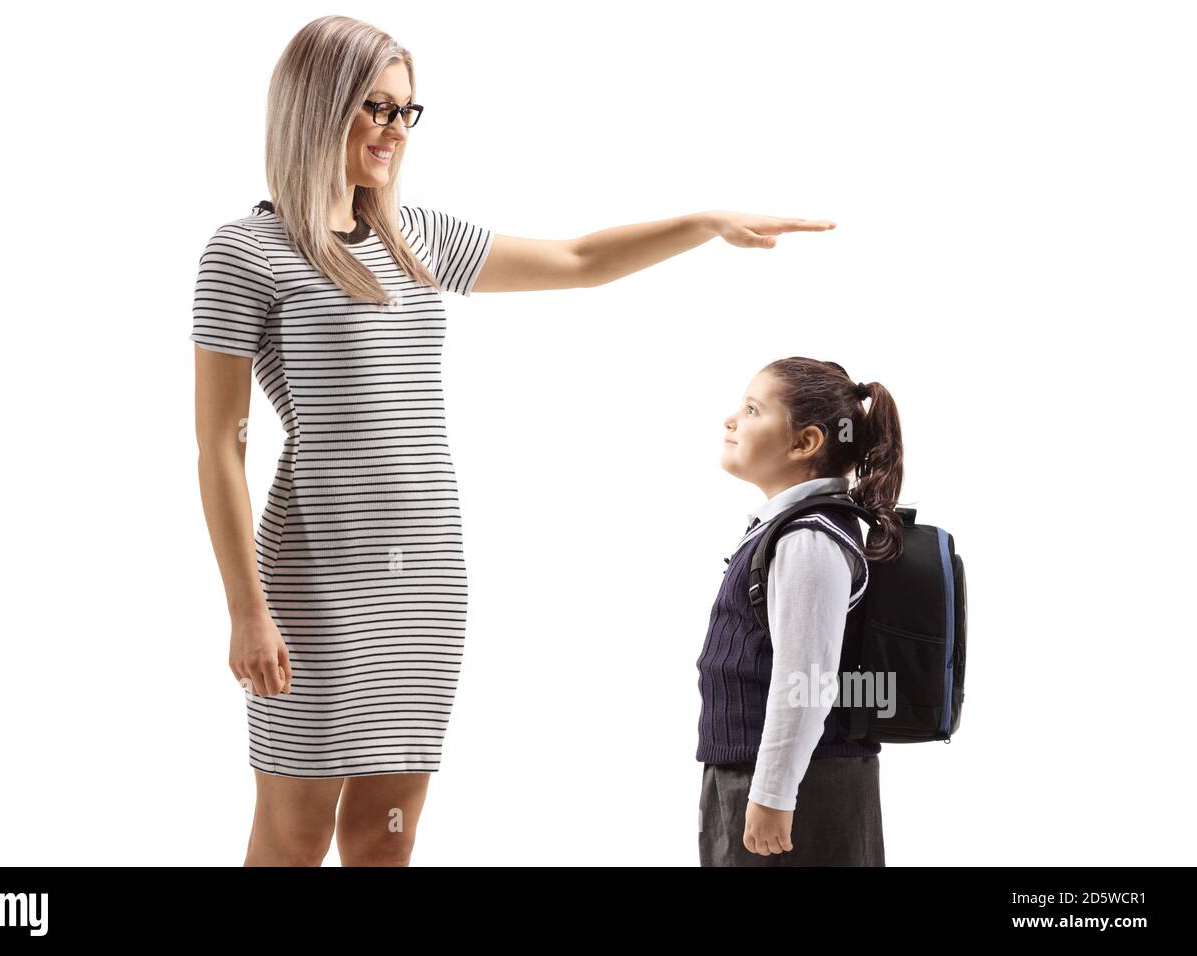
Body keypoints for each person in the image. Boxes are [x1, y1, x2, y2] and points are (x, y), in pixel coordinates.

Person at [192, 14, 839, 867]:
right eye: (374, 107)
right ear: (316, 106)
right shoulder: (246, 253)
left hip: (425, 580)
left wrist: (702, 223)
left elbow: (575, 259)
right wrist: (247, 609)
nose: (393, 130)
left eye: (405, 112)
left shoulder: (413, 238)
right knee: (296, 831)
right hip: (314, 581)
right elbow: (218, 447)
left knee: (388, 833)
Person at [696, 357, 905, 866]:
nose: (731, 420)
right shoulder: (790, 530)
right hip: (770, 775)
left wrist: (772, 793)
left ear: (804, 443)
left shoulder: (808, 540)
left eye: (751, 409)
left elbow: (806, 679)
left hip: (800, 786)